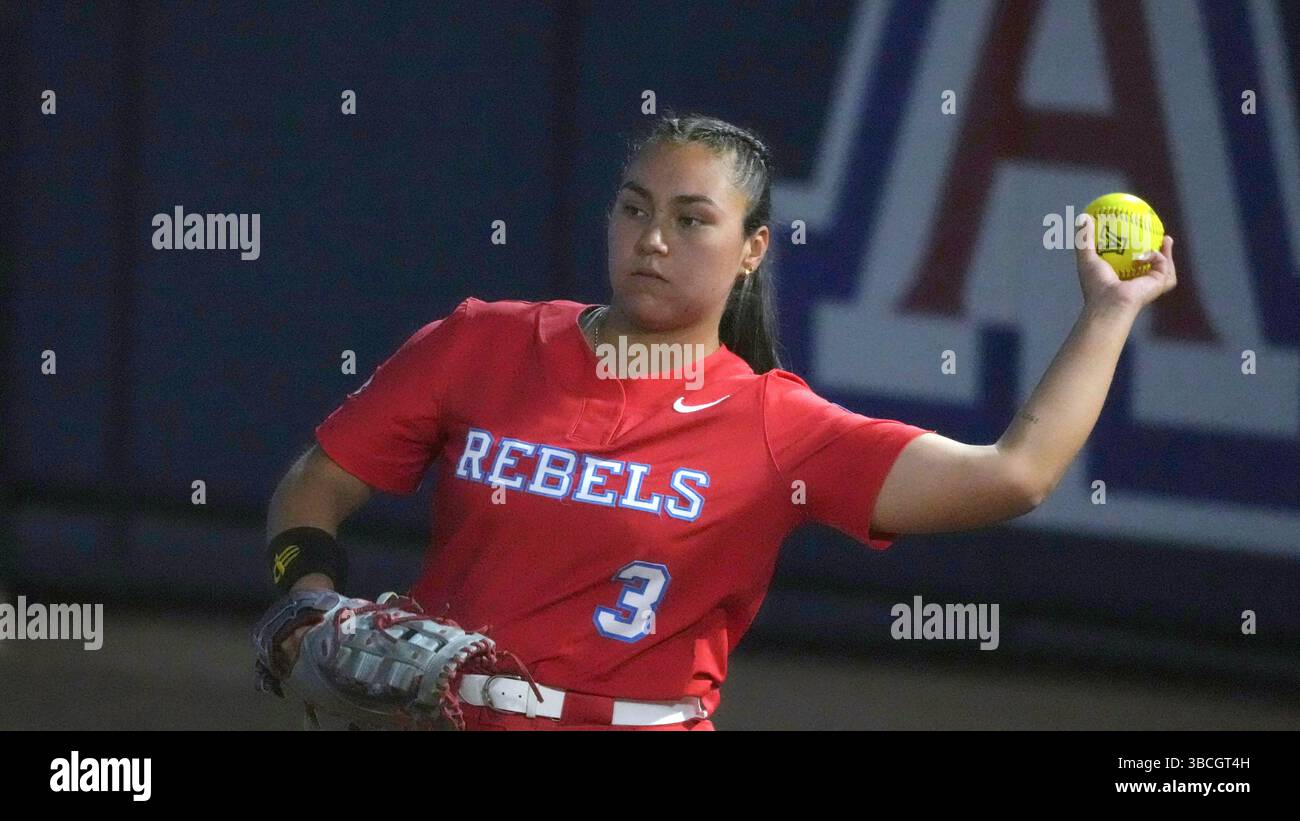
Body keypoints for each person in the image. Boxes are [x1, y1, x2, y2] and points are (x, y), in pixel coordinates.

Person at [256, 112, 1177, 730]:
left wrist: (1107, 315)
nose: (652, 238)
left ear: (753, 250)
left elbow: (1015, 473)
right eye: (635, 208)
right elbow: (316, 483)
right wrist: (307, 593)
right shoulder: (481, 343)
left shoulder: (778, 427)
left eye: (693, 219)